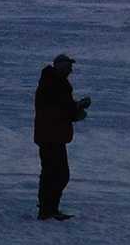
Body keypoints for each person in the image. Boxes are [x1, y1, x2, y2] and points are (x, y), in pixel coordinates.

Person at [32, 52, 90, 220]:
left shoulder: (55, 82)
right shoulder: (53, 84)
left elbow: (61, 109)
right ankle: (47, 209)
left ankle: (49, 208)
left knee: (55, 173)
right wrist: (77, 108)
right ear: (60, 66)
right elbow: (58, 110)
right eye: (68, 66)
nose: (71, 70)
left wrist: (76, 110)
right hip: (51, 136)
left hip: (52, 136)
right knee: (57, 174)